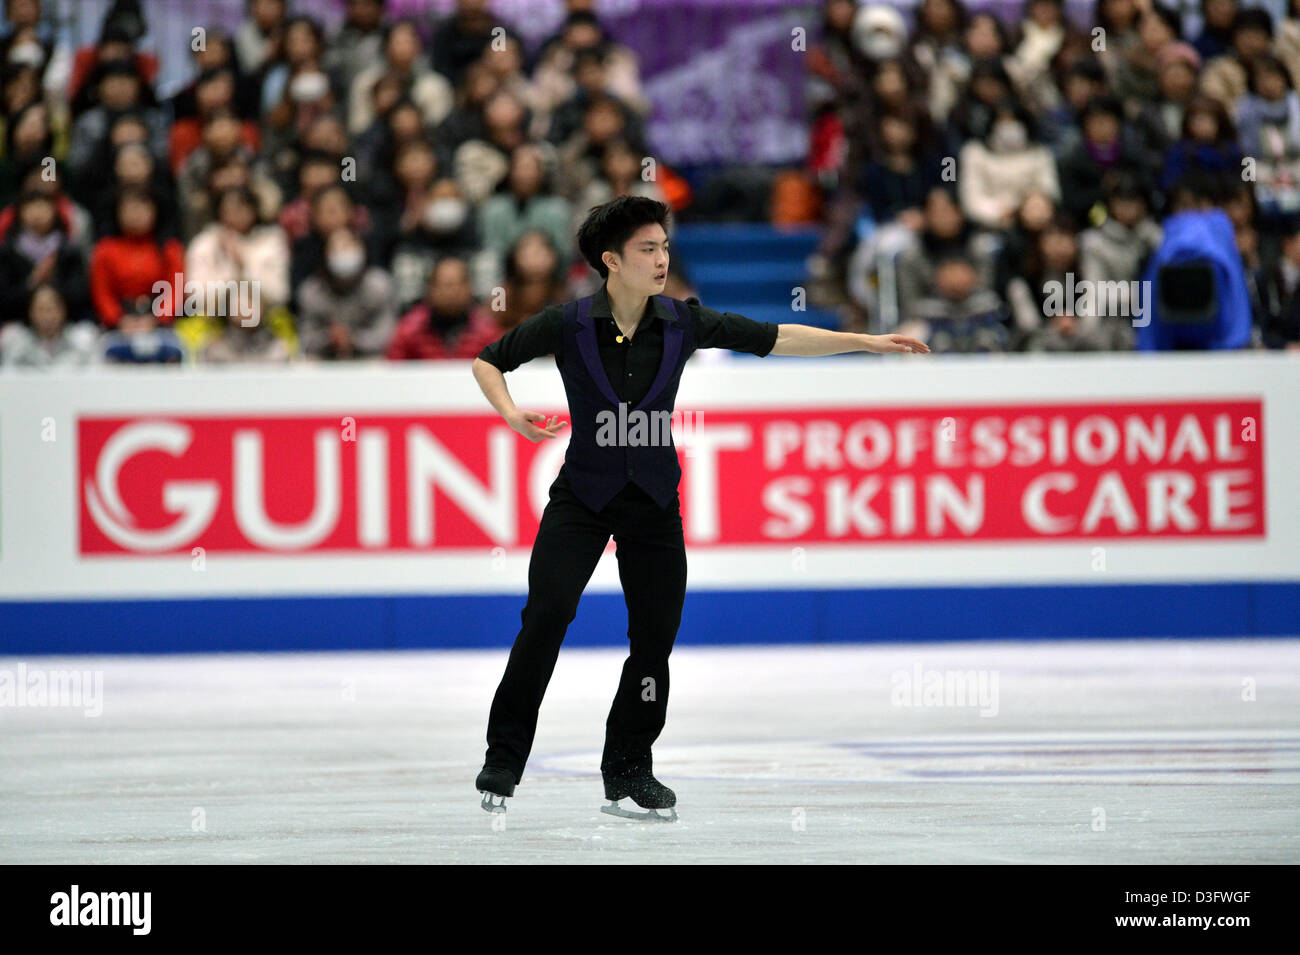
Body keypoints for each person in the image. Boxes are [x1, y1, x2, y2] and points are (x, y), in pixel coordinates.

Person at [470, 196, 929, 819]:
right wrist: (512, 416)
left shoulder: (682, 322)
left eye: (664, 247)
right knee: (546, 617)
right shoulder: (568, 323)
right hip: (582, 495)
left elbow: (776, 336)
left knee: (654, 638)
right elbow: (488, 360)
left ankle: (630, 766)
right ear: (612, 260)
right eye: (647, 249)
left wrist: (865, 342)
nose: (662, 259)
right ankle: (504, 758)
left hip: (655, 500)